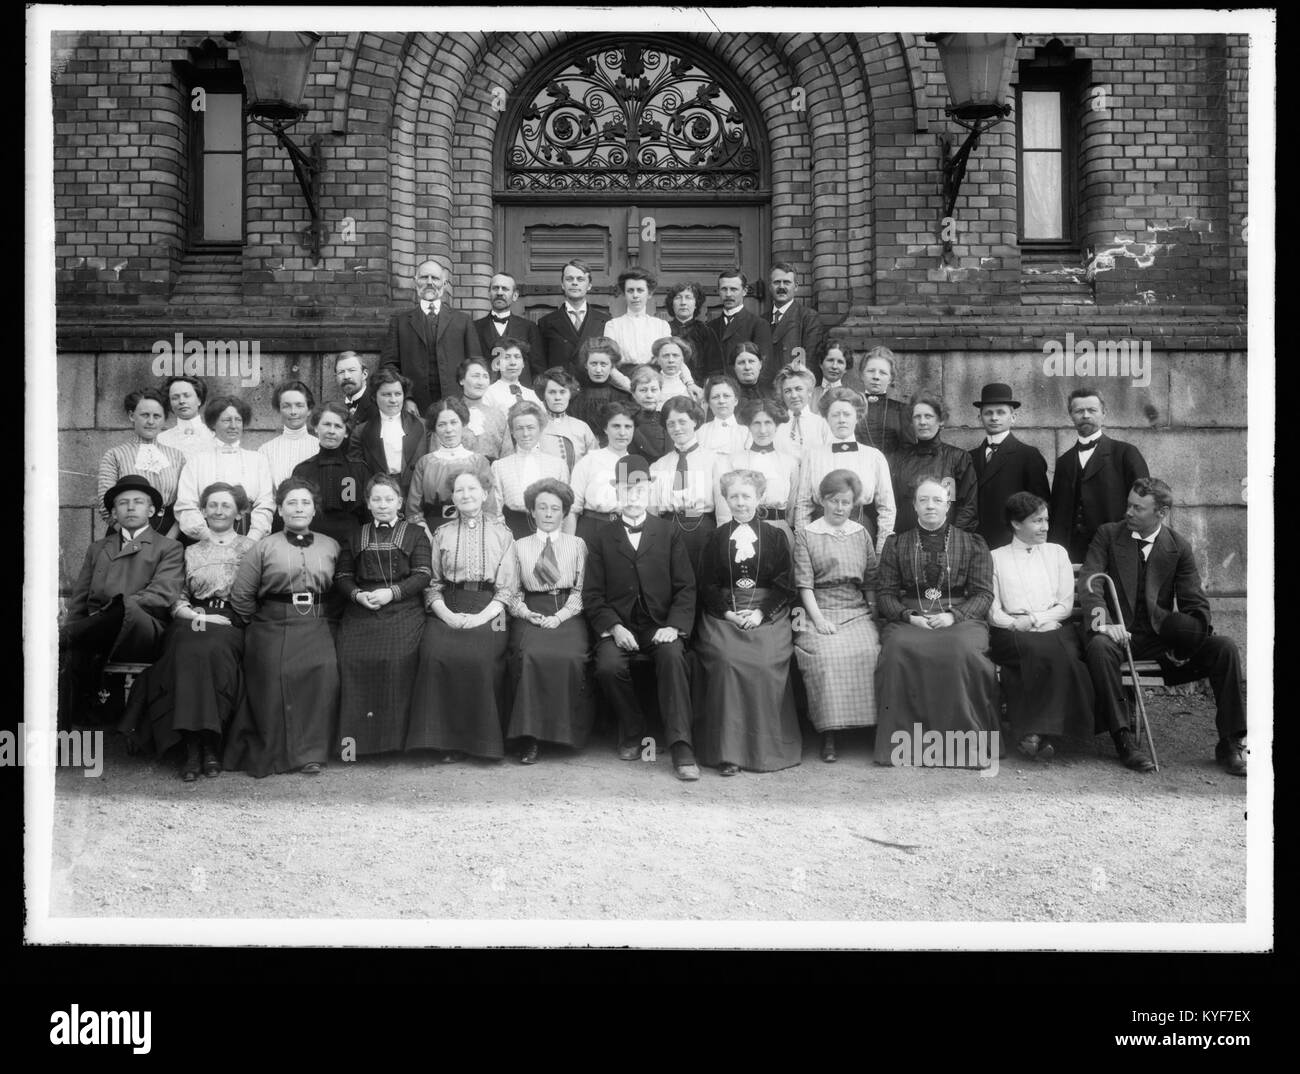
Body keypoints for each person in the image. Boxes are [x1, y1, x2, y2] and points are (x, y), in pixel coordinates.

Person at [1081, 478, 1246, 776]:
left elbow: (1195, 602)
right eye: (1129, 505)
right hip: (1120, 635)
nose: (1128, 512)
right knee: (1098, 646)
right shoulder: (1108, 535)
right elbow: (1090, 584)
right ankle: (1124, 739)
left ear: (1162, 513)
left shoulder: (1177, 546)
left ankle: (1231, 742)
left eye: (1138, 508)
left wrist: (1187, 642)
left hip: (1160, 640)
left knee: (1225, 648)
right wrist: (1103, 623)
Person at [118, 482, 256, 780]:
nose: (219, 511)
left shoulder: (252, 548)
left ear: (238, 512)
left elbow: (255, 594)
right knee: (188, 648)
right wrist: (194, 616)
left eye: (226, 506)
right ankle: (195, 748)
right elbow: (176, 595)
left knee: (210, 651)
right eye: (213, 505)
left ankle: (208, 744)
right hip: (190, 616)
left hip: (231, 619)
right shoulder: (186, 550)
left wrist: (233, 617)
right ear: (203, 511)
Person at [583, 455, 700, 781]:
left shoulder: (667, 532)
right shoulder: (602, 536)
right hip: (620, 626)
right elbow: (592, 594)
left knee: (674, 657)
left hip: (659, 625)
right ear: (615, 492)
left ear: (649, 491)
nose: (633, 496)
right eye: (626, 489)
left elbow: (686, 587)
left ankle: (681, 745)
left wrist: (674, 627)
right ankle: (633, 729)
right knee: (607, 666)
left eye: (639, 489)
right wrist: (614, 627)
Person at [873, 476, 999, 767]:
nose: (931, 506)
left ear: (948, 505)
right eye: (924, 500)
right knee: (898, 651)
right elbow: (886, 594)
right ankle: (906, 748)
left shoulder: (972, 543)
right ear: (914, 506)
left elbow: (983, 594)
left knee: (960, 652)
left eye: (938, 500)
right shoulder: (896, 544)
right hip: (910, 619)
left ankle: (963, 748)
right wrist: (909, 617)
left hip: (959, 618)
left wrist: (954, 615)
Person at [221, 478, 341, 777]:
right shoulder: (263, 547)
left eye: (305, 503)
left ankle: (311, 754)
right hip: (271, 623)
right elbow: (242, 596)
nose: (299, 508)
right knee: (274, 675)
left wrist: (326, 616)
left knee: (323, 672)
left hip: (317, 622)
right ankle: (274, 751)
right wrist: (261, 622)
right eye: (291, 503)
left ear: (314, 510)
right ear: (279, 509)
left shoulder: (331, 545)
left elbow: (341, 589)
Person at [693, 469, 800, 775]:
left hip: (766, 613)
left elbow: (785, 585)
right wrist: (727, 613)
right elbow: (707, 585)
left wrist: (758, 613)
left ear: (759, 498)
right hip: (723, 613)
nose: (740, 503)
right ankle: (728, 753)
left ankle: (763, 750)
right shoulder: (715, 538)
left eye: (746, 496)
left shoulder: (776, 536)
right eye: (734, 497)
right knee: (726, 660)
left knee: (765, 662)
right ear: (725, 499)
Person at [406, 471, 514, 761]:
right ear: (452, 497)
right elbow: (433, 583)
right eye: (459, 490)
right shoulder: (441, 533)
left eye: (472, 489)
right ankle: (444, 743)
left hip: (490, 607)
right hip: (448, 605)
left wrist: (480, 618)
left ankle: (480, 744)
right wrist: (446, 614)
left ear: (484, 494)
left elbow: (507, 588)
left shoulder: (503, 533)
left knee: (477, 659)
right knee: (434, 655)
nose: (466, 495)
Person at [59, 475, 185, 725]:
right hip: (96, 632)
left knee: (122, 606)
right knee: (67, 655)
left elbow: (161, 594)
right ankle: (59, 737)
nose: (130, 507)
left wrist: (114, 610)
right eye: (123, 503)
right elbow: (80, 599)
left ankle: (64, 635)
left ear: (151, 510)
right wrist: (78, 622)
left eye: (138, 502)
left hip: (142, 630)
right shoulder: (98, 548)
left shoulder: (168, 547)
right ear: (114, 512)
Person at [989, 492, 1095, 760]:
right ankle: (1044, 733)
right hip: (1011, 631)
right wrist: (1017, 623)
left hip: (1051, 626)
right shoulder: (995, 557)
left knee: (1062, 653)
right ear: (1016, 523)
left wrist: (1036, 620)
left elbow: (1064, 606)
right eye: (1037, 521)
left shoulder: (1057, 553)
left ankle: (1033, 733)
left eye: (1046, 520)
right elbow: (993, 612)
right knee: (1041, 652)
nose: (1045, 527)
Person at [334, 475, 433, 758]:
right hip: (362, 611)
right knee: (351, 658)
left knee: (397, 659)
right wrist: (357, 595)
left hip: (402, 609)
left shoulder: (415, 533)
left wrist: (393, 593)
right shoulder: (355, 535)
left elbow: (423, 574)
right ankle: (356, 746)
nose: (382, 505)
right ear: (367, 503)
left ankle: (395, 744)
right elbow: (342, 575)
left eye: (389, 499)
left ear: (399, 502)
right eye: (376, 499)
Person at [498, 478, 595, 764]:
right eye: (542, 507)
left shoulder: (578, 545)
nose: (549, 513)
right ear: (532, 511)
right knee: (529, 657)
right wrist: (526, 613)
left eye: (555, 508)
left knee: (571, 657)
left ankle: (565, 735)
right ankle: (530, 737)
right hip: (532, 609)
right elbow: (511, 591)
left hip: (568, 610)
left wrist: (560, 616)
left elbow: (581, 590)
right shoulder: (518, 546)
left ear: (565, 513)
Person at [793, 469, 882, 762]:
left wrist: (871, 613)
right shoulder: (807, 534)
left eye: (845, 502)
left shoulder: (861, 533)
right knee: (827, 655)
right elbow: (804, 584)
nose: (839, 508)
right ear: (822, 500)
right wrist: (818, 620)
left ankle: (870, 729)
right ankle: (829, 734)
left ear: (854, 503)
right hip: (818, 608)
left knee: (871, 650)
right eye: (833, 501)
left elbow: (870, 580)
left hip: (855, 609)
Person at [1048, 387, 1150, 563]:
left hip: (1116, 548)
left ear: (1104, 413)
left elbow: (1144, 502)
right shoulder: (1064, 461)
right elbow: (1057, 512)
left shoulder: (1125, 453)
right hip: (1072, 552)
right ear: (1071, 415)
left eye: (1092, 410)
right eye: (1079, 411)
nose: (1086, 415)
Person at [793, 387, 896, 554]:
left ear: (857, 417)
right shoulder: (813, 455)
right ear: (826, 418)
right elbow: (803, 505)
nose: (841, 420)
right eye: (835, 415)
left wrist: (881, 549)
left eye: (847, 414)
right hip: (820, 533)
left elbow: (887, 507)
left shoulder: (873, 456)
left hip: (861, 529)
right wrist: (803, 546)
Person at [380, 257, 483, 414]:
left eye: (435, 278)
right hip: (415, 408)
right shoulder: (400, 322)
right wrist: (406, 398)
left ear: (444, 283)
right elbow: (389, 366)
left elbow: (475, 365)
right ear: (416, 282)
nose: (429, 282)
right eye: (424, 277)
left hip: (457, 406)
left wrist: (467, 400)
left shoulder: (463, 321)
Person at [174, 395, 276, 541]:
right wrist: (209, 538)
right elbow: (185, 506)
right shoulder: (197, 461)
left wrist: (252, 538)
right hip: (205, 536)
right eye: (227, 420)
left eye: (238, 420)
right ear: (213, 423)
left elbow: (266, 504)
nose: (233, 426)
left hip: (249, 535)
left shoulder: (258, 460)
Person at [649, 394, 726, 576]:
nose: (677, 428)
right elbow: (652, 512)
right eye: (671, 424)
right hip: (667, 530)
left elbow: (723, 510)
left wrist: (723, 540)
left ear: (694, 422)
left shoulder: (714, 461)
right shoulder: (658, 465)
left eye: (682, 421)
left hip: (702, 529)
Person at [969, 382, 1051, 549]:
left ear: (1013, 417)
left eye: (1001, 412)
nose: (994, 418)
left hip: (1013, 542)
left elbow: (1039, 506)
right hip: (976, 542)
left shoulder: (1028, 455)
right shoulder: (969, 457)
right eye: (988, 413)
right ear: (980, 418)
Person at [97, 388, 186, 536]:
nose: (151, 421)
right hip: (125, 533)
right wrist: (131, 537)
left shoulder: (177, 456)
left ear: (164, 419)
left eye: (157, 416)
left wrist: (169, 540)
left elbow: (185, 502)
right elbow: (104, 505)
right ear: (132, 416)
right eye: (145, 415)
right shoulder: (115, 455)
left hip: (168, 533)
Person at [406, 397, 497, 536]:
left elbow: (489, 508)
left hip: (473, 529)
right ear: (434, 428)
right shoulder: (425, 463)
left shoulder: (479, 462)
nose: (449, 429)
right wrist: (429, 539)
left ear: (463, 424)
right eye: (441, 424)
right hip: (432, 530)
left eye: (454, 422)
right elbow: (413, 510)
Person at [891, 392, 978, 534]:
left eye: (928, 416)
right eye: (917, 417)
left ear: (941, 420)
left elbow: (968, 507)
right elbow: (893, 504)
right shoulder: (900, 459)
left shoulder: (958, 458)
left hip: (947, 541)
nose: (922, 422)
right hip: (908, 540)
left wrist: (953, 539)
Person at [291, 403, 373, 547]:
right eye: (326, 424)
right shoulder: (302, 470)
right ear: (316, 428)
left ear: (346, 432)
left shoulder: (358, 469)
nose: (331, 431)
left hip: (351, 544)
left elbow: (368, 514)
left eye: (338, 426)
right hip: (312, 543)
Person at [491, 400, 568, 538]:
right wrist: (504, 539)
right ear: (513, 432)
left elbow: (565, 508)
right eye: (520, 428)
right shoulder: (500, 466)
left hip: (551, 531)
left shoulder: (558, 465)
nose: (525, 433)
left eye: (531, 427)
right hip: (513, 531)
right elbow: (496, 512)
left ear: (540, 428)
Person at [347, 369, 427, 498]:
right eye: (386, 394)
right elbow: (356, 474)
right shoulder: (361, 432)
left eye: (398, 394)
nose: (393, 400)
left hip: (416, 496)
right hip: (380, 497)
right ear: (374, 396)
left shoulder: (423, 426)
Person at [730, 398, 799, 545]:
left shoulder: (789, 462)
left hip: (779, 528)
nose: (762, 430)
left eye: (768, 423)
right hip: (743, 530)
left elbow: (793, 503)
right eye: (756, 423)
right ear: (749, 426)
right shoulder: (736, 461)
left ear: (776, 426)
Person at [567, 400, 637, 545]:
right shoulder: (589, 461)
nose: (622, 433)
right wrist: (568, 547)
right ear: (605, 428)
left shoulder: (637, 465)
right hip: (593, 528)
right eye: (616, 426)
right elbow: (572, 509)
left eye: (628, 426)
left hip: (626, 530)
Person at [604, 268, 673, 391]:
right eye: (630, 291)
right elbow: (609, 363)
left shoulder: (662, 326)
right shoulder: (613, 325)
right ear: (624, 294)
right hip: (623, 386)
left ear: (649, 294)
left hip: (654, 386)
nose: (635, 295)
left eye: (640, 290)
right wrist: (629, 386)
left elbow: (669, 360)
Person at [538, 258, 611, 373]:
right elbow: (541, 364)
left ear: (589, 285)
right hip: (561, 388)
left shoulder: (605, 321)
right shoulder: (546, 323)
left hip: (592, 386)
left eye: (580, 279)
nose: (575, 282)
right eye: (569, 279)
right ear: (562, 284)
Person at [473, 271, 545, 384]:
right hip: (486, 394)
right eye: (495, 288)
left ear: (515, 295)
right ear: (489, 293)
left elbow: (538, 368)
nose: (499, 292)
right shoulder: (474, 328)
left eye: (505, 289)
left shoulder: (529, 328)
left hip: (520, 395)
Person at [707, 267, 772, 383]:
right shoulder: (710, 326)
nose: (728, 294)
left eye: (733, 289)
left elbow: (763, 366)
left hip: (746, 391)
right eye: (724, 289)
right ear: (718, 291)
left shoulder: (758, 324)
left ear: (745, 291)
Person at [853, 346, 915, 461]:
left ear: (891, 378)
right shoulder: (850, 407)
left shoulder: (902, 410)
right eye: (871, 371)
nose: (876, 377)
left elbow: (909, 452)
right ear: (861, 375)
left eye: (883, 373)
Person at [534, 366, 599, 474]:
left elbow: (594, 463)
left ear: (570, 394)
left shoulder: (581, 427)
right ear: (543, 395)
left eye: (563, 392)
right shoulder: (535, 426)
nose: (558, 397)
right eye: (552, 392)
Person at [768, 262, 827, 381]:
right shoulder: (761, 320)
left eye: (787, 282)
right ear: (770, 286)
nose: (781, 287)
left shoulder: (808, 318)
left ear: (796, 286)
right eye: (777, 282)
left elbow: (811, 361)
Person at [258, 380, 319, 488]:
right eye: (286, 406)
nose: (293, 411)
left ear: (309, 410)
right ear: (279, 410)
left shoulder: (319, 447)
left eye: (299, 405)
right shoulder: (265, 451)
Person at [569, 336, 632, 436]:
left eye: (603, 364)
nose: (598, 370)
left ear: (612, 365)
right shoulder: (575, 397)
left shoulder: (623, 397)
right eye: (593, 364)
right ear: (585, 364)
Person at [451, 356, 509, 460]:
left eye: (485, 377)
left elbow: (507, 454)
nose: (481, 382)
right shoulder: (449, 414)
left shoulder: (498, 415)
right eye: (475, 376)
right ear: (461, 380)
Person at [666, 281, 722, 378]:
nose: (683, 303)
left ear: (696, 304)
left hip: (700, 388)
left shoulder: (706, 331)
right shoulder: (664, 329)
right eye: (678, 298)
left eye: (688, 298)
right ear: (672, 303)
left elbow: (715, 369)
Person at [773, 365, 830, 455]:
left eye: (798, 389)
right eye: (787, 391)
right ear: (782, 396)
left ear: (809, 391)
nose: (794, 395)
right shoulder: (776, 425)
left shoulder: (822, 424)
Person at [157, 375, 219, 457]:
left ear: (199, 400)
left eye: (187, 396)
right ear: (170, 403)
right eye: (175, 398)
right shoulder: (162, 439)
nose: (181, 401)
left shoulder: (214, 436)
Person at [482, 336, 542, 413]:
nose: (513, 363)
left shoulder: (532, 395)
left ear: (523, 363)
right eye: (506, 357)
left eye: (517, 357)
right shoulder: (488, 393)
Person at [696, 374, 749, 455]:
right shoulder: (701, 432)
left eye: (726, 396)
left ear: (735, 401)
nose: (721, 401)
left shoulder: (746, 432)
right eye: (715, 397)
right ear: (709, 403)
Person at [627, 365, 669, 462]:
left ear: (660, 392)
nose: (649, 395)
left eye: (654, 390)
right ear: (633, 394)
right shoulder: (628, 423)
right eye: (643, 390)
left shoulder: (668, 420)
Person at [810, 343, 867, 411]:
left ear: (846, 368)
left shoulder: (851, 397)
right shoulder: (809, 395)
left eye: (840, 362)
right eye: (830, 360)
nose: (834, 366)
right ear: (821, 364)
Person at [652, 335, 701, 401]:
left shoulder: (693, 389)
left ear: (682, 359)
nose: (671, 360)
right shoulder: (651, 385)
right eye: (666, 356)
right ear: (657, 359)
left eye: (675, 355)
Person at [334, 351, 377, 425]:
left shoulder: (377, 404)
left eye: (352, 370)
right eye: (341, 372)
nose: (346, 376)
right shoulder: (334, 409)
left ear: (364, 374)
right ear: (336, 377)